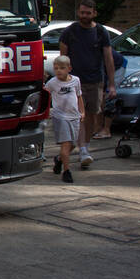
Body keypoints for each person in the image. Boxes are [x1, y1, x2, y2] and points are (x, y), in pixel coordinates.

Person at [58, 0, 116, 168]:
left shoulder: (101, 32)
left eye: (88, 13)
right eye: (82, 12)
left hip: (95, 81)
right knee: (79, 116)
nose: (84, 16)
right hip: (74, 82)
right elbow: (63, 58)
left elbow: (108, 58)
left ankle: (84, 145)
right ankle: (83, 149)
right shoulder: (70, 32)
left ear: (94, 14)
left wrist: (111, 84)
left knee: (91, 115)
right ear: (78, 12)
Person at [45, 55, 82, 183]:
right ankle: (66, 171)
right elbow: (45, 95)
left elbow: (79, 96)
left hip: (74, 116)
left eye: (62, 68)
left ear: (69, 68)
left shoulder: (76, 81)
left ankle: (59, 159)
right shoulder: (52, 83)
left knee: (73, 145)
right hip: (60, 117)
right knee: (66, 145)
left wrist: (82, 112)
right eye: (56, 68)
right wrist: (47, 111)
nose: (59, 71)